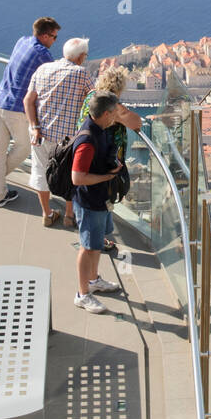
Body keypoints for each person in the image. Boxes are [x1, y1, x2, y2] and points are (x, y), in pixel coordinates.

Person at [0, 17, 60, 208]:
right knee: (23, 149)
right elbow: (54, 75)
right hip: (16, 109)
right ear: (43, 35)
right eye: (53, 37)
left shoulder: (22, 40)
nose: (54, 41)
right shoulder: (43, 54)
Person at [22, 37, 93, 226]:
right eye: (85, 55)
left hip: (41, 135)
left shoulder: (42, 69)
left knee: (40, 174)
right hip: (68, 140)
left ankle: (47, 214)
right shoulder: (81, 73)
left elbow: (28, 100)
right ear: (79, 57)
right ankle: (69, 216)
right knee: (70, 175)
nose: (85, 59)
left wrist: (33, 127)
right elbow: (93, 100)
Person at [76, 64, 142, 249]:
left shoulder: (91, 96)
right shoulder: (112, 106)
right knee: (101, 198)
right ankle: (94, 243)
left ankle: (97, 238)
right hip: (103, 160)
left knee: (97, 199)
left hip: (89, 153)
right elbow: (137, 122)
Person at [70, 92, 125, 313]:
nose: (115, 116)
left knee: (95, 245)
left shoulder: (99, 129)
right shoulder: (87, 140)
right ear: (105, 113)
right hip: (89, 201)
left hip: (99, 198)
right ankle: (82, 294)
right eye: (113, 113)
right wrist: (107, 177)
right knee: (87, 247)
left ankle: (93, 281)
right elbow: (77, 177)